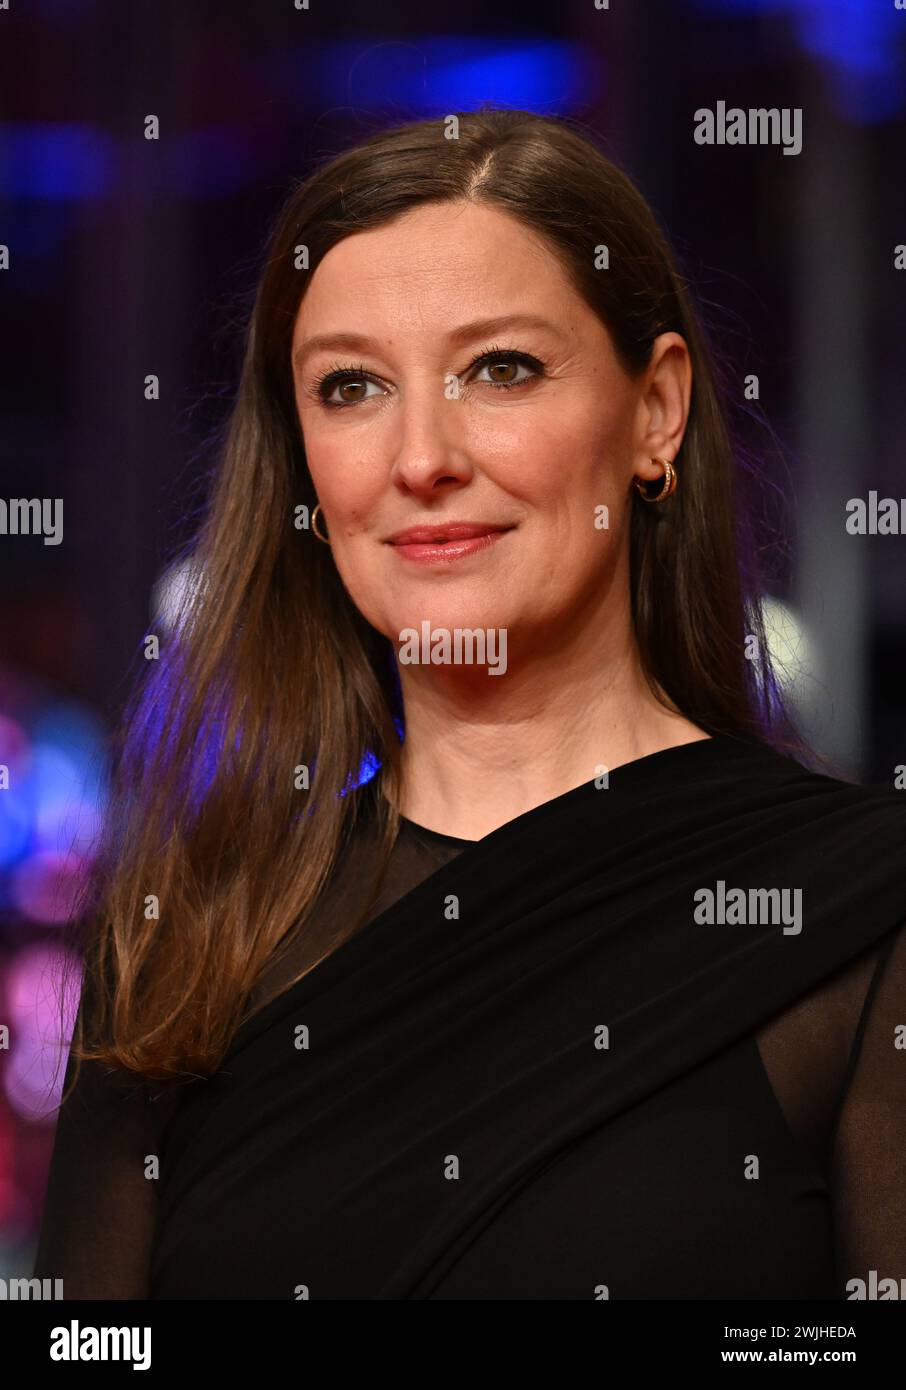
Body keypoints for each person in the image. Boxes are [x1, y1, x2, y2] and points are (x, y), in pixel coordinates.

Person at [33, 107, 906, 1300]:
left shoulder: (863, 911)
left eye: (500, 368)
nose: (422, 455)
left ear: (655, 410)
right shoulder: (189, 934)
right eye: (351, 387)